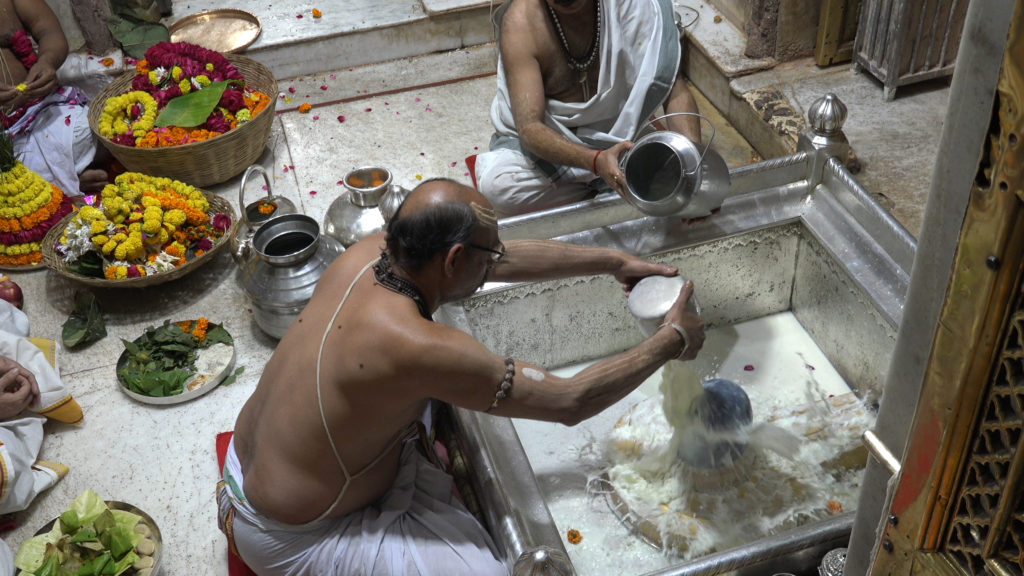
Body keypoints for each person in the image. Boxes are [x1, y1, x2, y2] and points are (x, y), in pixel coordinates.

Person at [218, 177, 705, 575]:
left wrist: (612, 261)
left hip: (246, 471)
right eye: (486, 255)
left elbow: (505, 257)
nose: (497, 261)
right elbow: (569, 401)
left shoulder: (368, 252)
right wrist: (672, 340)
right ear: (452, 260)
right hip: (294, 535)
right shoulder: (419, 346)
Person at [474, 0, 702, 217]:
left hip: (619, 134)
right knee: (499, 188)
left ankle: (609, 190)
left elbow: (673, 88)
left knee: (679, 173)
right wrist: (595, 161)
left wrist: (696, 162)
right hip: (550, 145)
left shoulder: (633, 6)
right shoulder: (521, 23)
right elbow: (530, 128)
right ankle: (617, 190)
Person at [0, 0, 107, 196]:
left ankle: (54, 186)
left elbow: (50, 34)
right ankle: (71, 182)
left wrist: (47, 62)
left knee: (92, 130)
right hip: (4, 140)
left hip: (42, 110)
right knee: (8, 173)